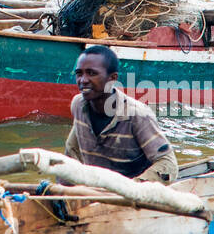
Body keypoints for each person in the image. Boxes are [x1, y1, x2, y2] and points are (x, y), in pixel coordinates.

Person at [63, 45, 177, 183]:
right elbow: (71, 151)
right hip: (96, 189)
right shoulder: (78, 104)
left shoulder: (137, 115)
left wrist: (130, 189)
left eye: (91, 73)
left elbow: (168, 165)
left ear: (112, 78)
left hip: (131, 195)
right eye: (79, 73)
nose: (83, 80)